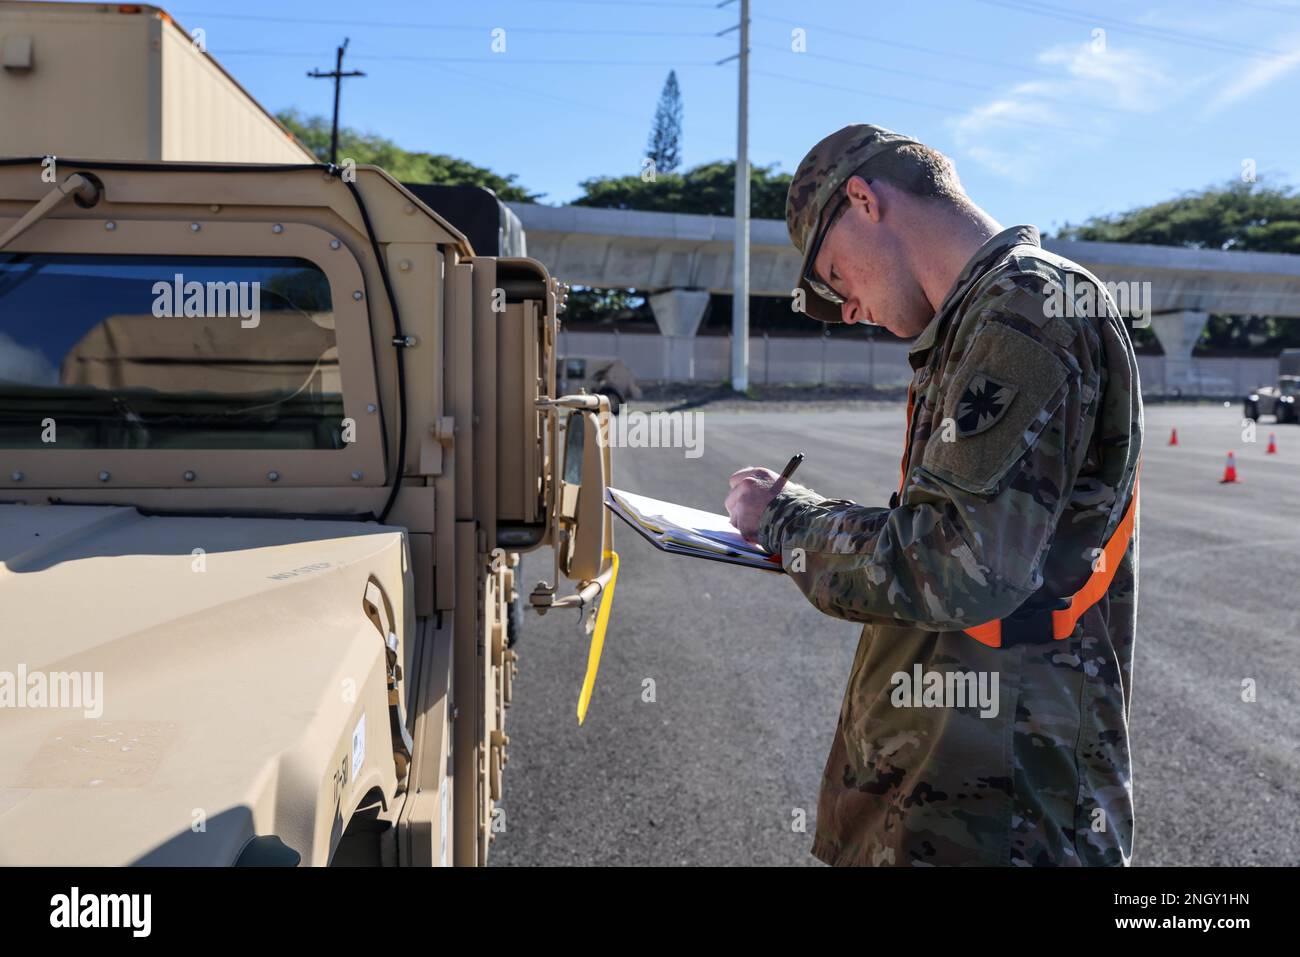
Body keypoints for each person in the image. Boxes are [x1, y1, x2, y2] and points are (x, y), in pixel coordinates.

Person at [724, 124, 1143, 866]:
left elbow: (958, 561)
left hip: (1006, 816)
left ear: (863, 199)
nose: (846, 308)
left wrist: (787, 521)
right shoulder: (980, 319)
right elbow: (949, 533)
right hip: (958, 799)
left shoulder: (1032, 309)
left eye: (833, 273)